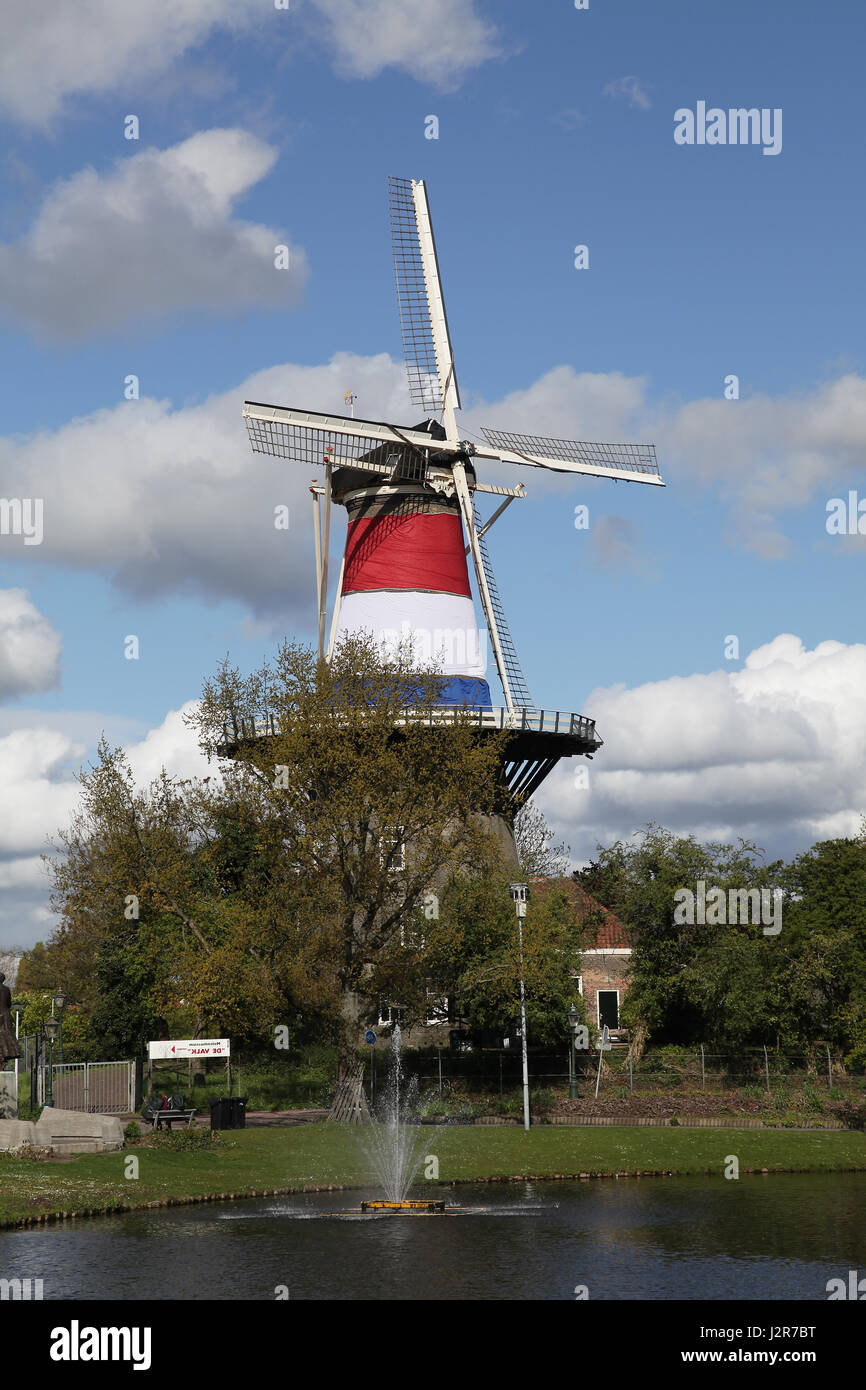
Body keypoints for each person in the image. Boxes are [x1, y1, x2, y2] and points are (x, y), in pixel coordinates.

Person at [0, 972, 22, 1069]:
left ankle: (2, 1058)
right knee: (7, 1035)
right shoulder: (6, 989)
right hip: (6, 1014)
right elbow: (8, 1003)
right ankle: (5, 1056)